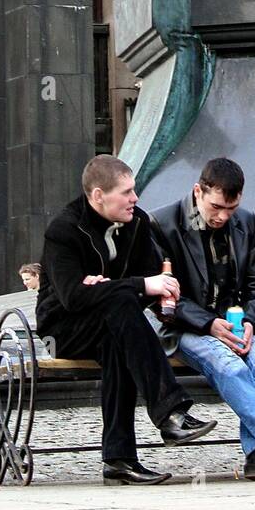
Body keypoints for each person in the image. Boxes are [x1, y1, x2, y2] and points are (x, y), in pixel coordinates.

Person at [36, 154, 217, 486]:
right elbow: (73, 298)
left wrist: (154, 293)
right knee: (120, 303)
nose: (135, 198)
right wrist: (131, 287)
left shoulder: (136, 223)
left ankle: (120, 460)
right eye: (126, 192)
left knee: (118, 342)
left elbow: (149, 280)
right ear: (98, 196)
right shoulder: (64, 230)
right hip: (63, 329)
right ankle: (170, 412)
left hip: (112, 324)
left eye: (134, 190)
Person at [151, 158, 255, 482]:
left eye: (231, 208)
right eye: (216, 207)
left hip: (236, 323)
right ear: (198, 191)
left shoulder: (247, 223)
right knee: (230, 365)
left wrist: (250, 321)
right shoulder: (163, 224)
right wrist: (208, 324)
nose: (223, 216)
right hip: (183, 329)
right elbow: (162, 299)